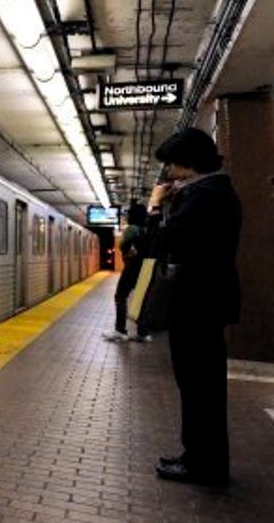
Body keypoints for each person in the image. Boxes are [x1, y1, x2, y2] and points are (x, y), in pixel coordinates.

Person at [147, 127, 241, 486]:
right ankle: (198, 457)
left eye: (172, 164)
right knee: (201, 387)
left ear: (188, 163)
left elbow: (161, 244)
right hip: (206, 303)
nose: (170, 172)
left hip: (197, 305)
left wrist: (155, 207)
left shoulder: (206, 196)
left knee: (198, 388)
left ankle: (203, 465)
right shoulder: (215, 192)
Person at [103, 204, 153, 342]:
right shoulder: (146, 229)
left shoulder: (132, 229)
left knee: (120, 296)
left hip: (132, 268)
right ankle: (143, 333)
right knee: (142, 300)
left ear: (133, 215)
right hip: (145, 268)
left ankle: (120, 330)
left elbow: (121, 245)